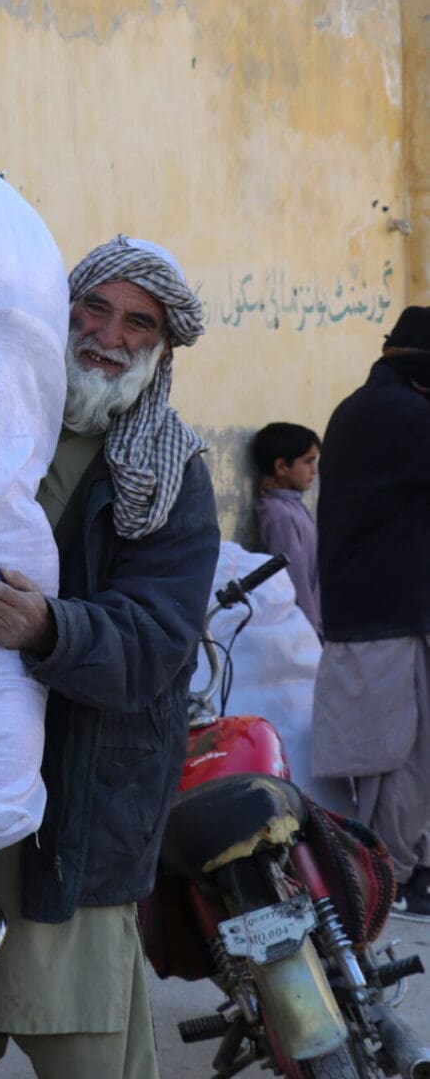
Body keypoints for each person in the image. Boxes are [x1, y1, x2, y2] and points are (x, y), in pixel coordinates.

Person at [0, 235, 219, 1079]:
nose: (109, 335)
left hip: (73, 812)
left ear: (163, 348)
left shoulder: (171, 476)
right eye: (94, 309)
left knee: (89, 1047)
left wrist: (50, 630)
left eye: (139, 323)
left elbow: (155, 641)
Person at [311, 306, 430, 921]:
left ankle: (400, 870)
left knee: (404, 760)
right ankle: (391, 879)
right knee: (396, 761)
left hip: (383, 613)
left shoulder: (367, 407)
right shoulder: (400, 415)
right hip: (385, 618)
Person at [252, 422, 323, 635]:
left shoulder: (294, 506)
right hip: (303, 629)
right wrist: (313, 632)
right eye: (308, 461)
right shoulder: (278, 514)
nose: (314, 471)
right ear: (282, 467)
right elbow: (294, 579)